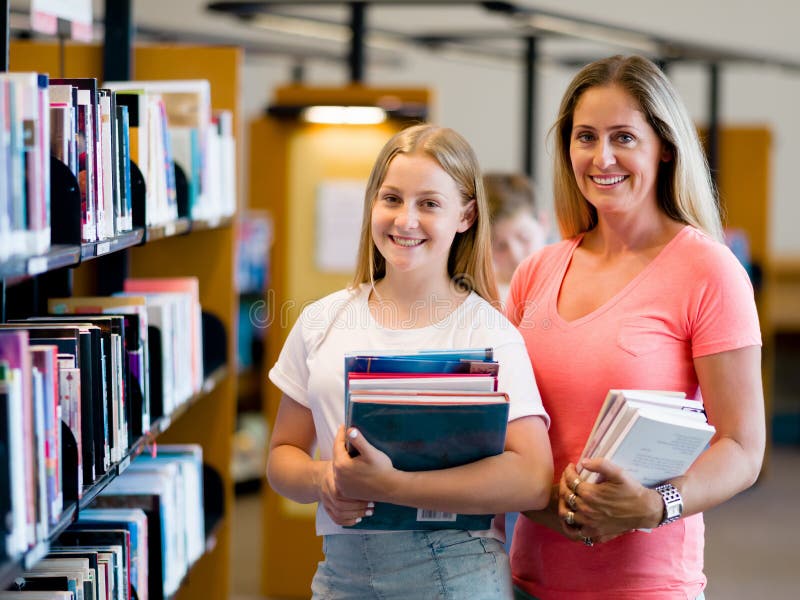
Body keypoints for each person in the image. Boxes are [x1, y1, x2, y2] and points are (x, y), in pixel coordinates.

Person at [506, 55, 764, 600]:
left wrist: (653, 506)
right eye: (586, 137)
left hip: (646, 586)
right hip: (527, 580)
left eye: (623, 136)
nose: (602, 157)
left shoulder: (708, 271)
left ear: (664, 146)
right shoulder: (537, 271)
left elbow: (742, 447)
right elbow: (502, 419)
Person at [267, 123, 554, 599]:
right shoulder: (322, 320)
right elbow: (282, 456)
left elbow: (533, 479)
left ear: (466, 216)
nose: (405, 220)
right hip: (341, 575)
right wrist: (327, 480)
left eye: (429, 204)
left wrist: (394, 486)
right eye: (392, 199)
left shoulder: (489, 332)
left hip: (458, 572)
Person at [484, 172, 551, 303]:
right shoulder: (484, 300)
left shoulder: (569, 282)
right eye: (500, 246)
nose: (515, 255)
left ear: (544, 223)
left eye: (524, 237)